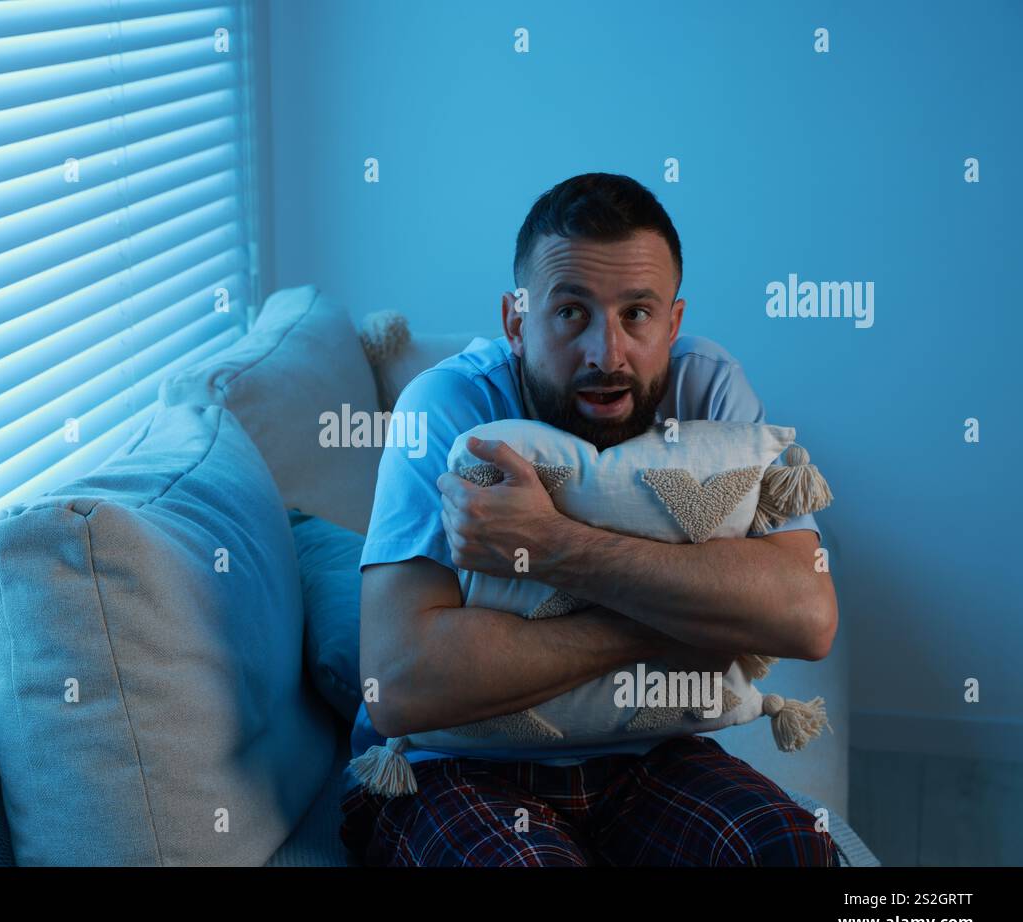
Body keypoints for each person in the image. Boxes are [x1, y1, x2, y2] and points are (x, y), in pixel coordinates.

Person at [340, 172, 840, 866]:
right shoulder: (445, 407)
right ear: (516, 321)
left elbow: (807, 614)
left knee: (788, 851)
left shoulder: (709, 387)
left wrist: (552, 545)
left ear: (672, 321)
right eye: (571, 312)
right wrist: (681, 619)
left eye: (637, 313)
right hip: (449, 766)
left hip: (650, 756)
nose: (608, 353)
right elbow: (395, 685)